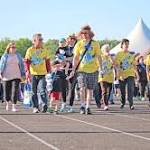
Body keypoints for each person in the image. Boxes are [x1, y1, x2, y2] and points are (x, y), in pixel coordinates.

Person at [71, 25, 102, 114]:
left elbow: (99, 56)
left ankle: (88, 106)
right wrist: (73, 69)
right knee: (82, 88)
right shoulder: (79, 44)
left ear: (90, 33)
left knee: (90, 89)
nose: (84, 34)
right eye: (82, 33)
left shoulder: (95, 44)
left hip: (93, 70)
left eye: (86, 33)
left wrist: (101, 68)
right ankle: (82, 105)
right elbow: (76, 57)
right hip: (81, 70)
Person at [24, 33, 51, 113]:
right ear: (34, 41)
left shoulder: (45, 49)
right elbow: (27, 62)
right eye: (40, 40)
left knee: (42, 90)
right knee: (33, 91)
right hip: (33, 74)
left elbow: (47, 61)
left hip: (42, 73)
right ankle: (35, 107)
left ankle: (44, 105)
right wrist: (27, 72)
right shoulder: (30, 50)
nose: (41, 41)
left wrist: (49, 71)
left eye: (42, 40)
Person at [0, 42, 25, 111]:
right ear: (9, 48)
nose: (14, 49)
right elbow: (1, 65)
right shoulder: (5, 56)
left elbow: (22, 65)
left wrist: (23, 74)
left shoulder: (18, 55)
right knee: (6, 92)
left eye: (15, 47)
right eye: (13, 47)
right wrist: (0, 73)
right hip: (6, 76)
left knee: (15, 91)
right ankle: (7, 103)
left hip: (16, 76)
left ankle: (14, 106)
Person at [115, 39, 136, 110]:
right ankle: (122, 102)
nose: (127, 45)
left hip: (130, 74)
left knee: (130, 88)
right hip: (122, 75)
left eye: (128, 44)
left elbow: (134, 64)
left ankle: (131, 104)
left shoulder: (130, 54)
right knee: (122, 90)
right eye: (125, 44)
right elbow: (117, 66)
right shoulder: (119, 54)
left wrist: (136, 74)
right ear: (122, 45)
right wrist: (119, 75)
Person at [99, 44, 115, 110]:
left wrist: (110, 57)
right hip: (102, 76)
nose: (107, 51)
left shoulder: (110, 57)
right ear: (102, 50)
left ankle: (104, 100)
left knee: (109, 91)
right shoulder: (100, 57)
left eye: (108, 49)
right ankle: (106, 105)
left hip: (110, 76)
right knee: (104, 91)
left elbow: (114, 64)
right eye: (106, 49)